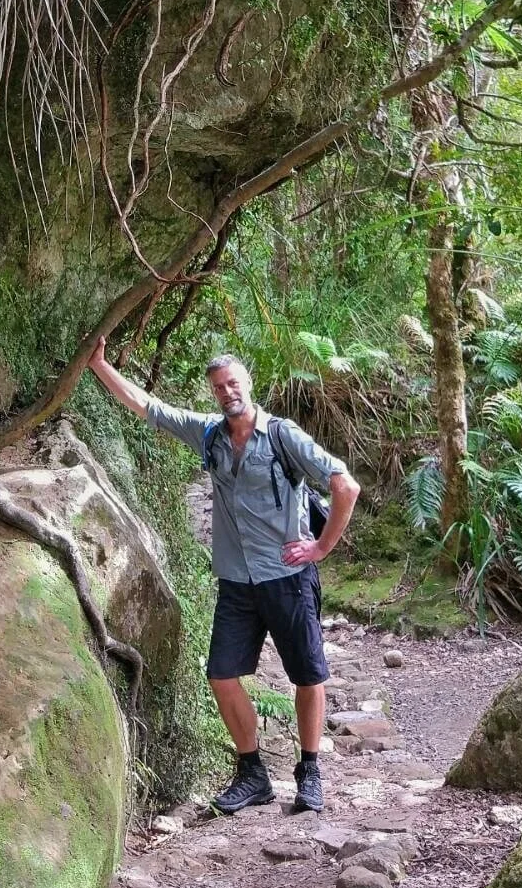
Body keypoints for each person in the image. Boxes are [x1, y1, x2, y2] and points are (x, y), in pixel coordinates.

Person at [87, 340, 360, 815]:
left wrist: (321, 547)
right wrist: (99, 365)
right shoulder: (209, 434)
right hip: (237, 582)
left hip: (287, 577)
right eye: (219, 387)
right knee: (221, 674)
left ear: (248, 383)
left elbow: (345, 484)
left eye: (234, 383)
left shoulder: (282, 436)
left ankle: (309, 770)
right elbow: (146, 406)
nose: (227, 392)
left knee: (307, 673)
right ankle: (252, 773)